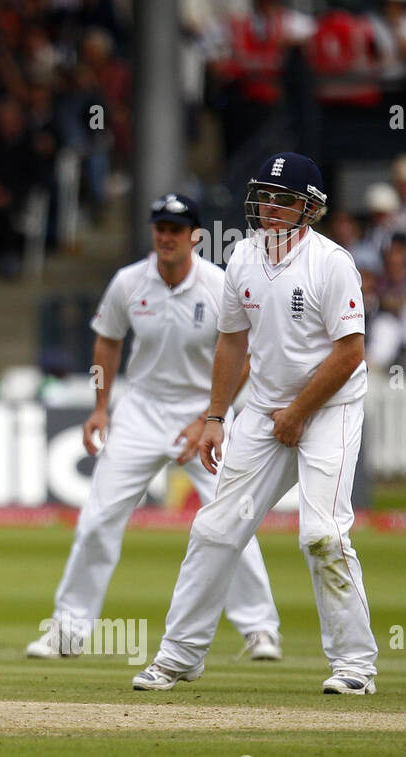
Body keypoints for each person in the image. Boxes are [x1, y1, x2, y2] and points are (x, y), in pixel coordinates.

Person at [132, 153, 377, 695]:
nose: (269, 207)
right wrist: (216, 415)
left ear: (309, 208)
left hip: (329, 410)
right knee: (214, 528)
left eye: (283, 199)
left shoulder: (331, 264)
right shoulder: (241, 256)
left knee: (322, 535)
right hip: (264, 412)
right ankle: (179, 657)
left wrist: (299, 413)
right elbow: (232, 341)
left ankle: (355, 666)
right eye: (265, 196)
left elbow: (351, 353)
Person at [27, 194, 282, 662]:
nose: (166, 237)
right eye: (160, 228)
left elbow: (243, 358)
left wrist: (211, 416)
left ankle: (260, 629)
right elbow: (107, 343)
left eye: (176, 229)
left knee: (231, 518)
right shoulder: (129, 282)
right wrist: (100, 408)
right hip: (140, 410)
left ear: (195, 237)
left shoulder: (218, 285)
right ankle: (67, 631)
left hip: (201, 415)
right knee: (99, 519)